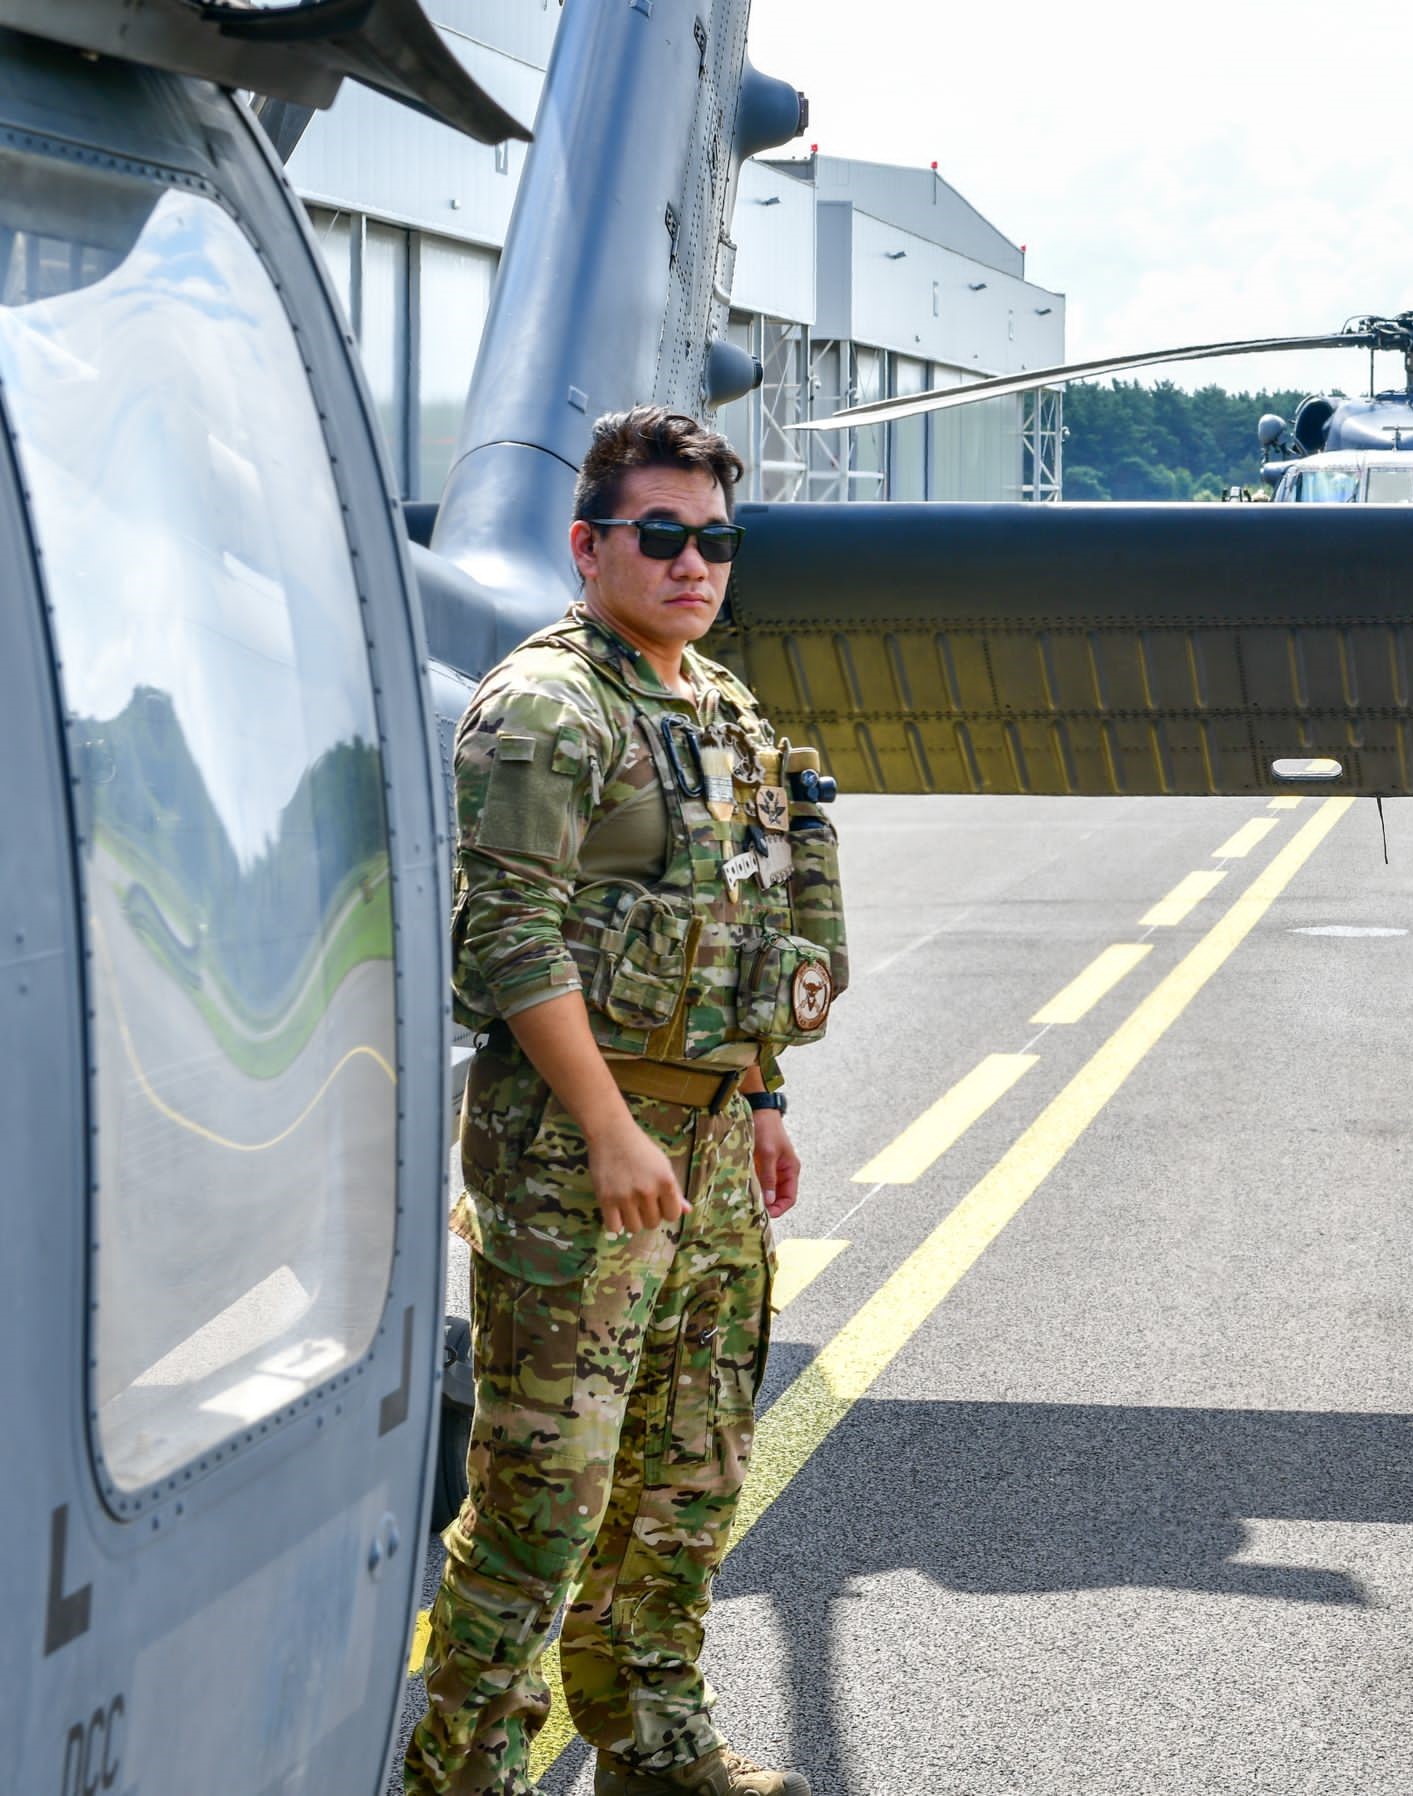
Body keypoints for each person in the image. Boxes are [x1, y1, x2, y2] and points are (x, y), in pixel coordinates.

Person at [406, 406, 847, 1796]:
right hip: (576, 1156)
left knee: (686, 1479)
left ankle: (651, 1748)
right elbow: (507, 937)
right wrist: (607, 1128)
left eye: (715, 540)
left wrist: (761, 1096)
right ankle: (458, 1771)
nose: (694, 565)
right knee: (546, 1503)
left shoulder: (718, 707)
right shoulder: (549, 708)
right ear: (589, 544)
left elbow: (749, 915)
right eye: (662, 537)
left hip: (710, 1147)